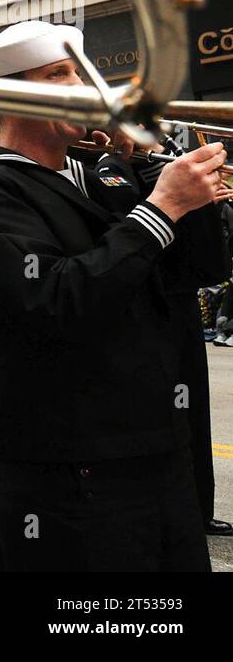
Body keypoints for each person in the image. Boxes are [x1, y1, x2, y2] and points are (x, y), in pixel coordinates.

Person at [0, 19, 222, 571]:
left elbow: (196, 271)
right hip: (74, 470)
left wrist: (173, 182)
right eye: (59, 74)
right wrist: (160, 208)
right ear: (10, 95)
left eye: (80, 72)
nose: (85, 87)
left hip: (156, 449)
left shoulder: (99, 176)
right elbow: (57, 301)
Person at [84, 145, 233, 538]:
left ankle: (199, 508)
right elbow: (121, 217)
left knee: (194, 414)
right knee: (158, 416)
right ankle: (173, 515)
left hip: (179, 299)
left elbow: (210, 263)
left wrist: (206, 204)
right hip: (143, 303)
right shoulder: (103, 168)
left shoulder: (160, 163)